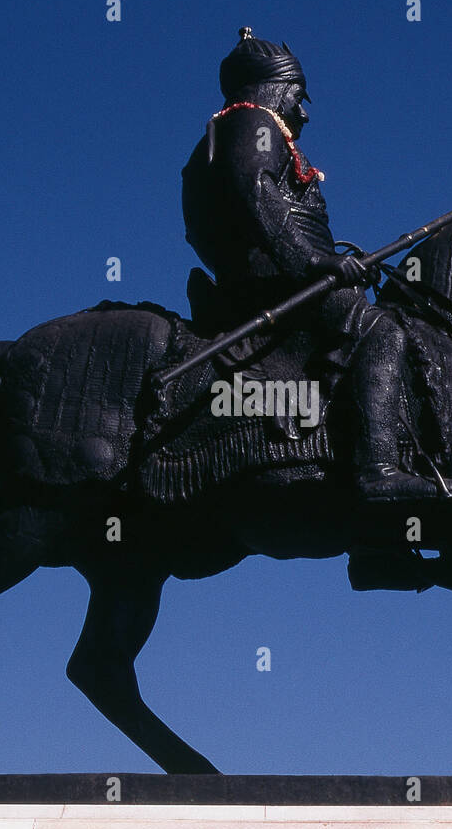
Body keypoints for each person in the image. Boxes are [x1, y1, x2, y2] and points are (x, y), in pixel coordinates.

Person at [181, 28, 437, 501]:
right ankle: (376, 469)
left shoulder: (236, 130)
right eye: (298, 96)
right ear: (273, 90)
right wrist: (319, 264)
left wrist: (334, 262)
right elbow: (257, 196)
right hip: (277, 289)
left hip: (290, 280)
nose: (303, 111)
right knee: (381, 332)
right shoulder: (252, 123)